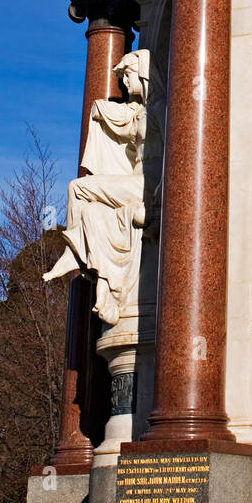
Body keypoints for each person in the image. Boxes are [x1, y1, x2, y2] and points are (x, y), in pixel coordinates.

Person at [43, 50, 164, 326]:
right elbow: (123, 125)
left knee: (78, 188)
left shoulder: (160, 110)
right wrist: (101, 109)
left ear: (144, 74)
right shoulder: (140, 111)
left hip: (149, 182)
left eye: (128, 76)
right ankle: (79, 252)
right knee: (90, 210)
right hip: (136, 181)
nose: (124, 84)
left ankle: (73, 252)